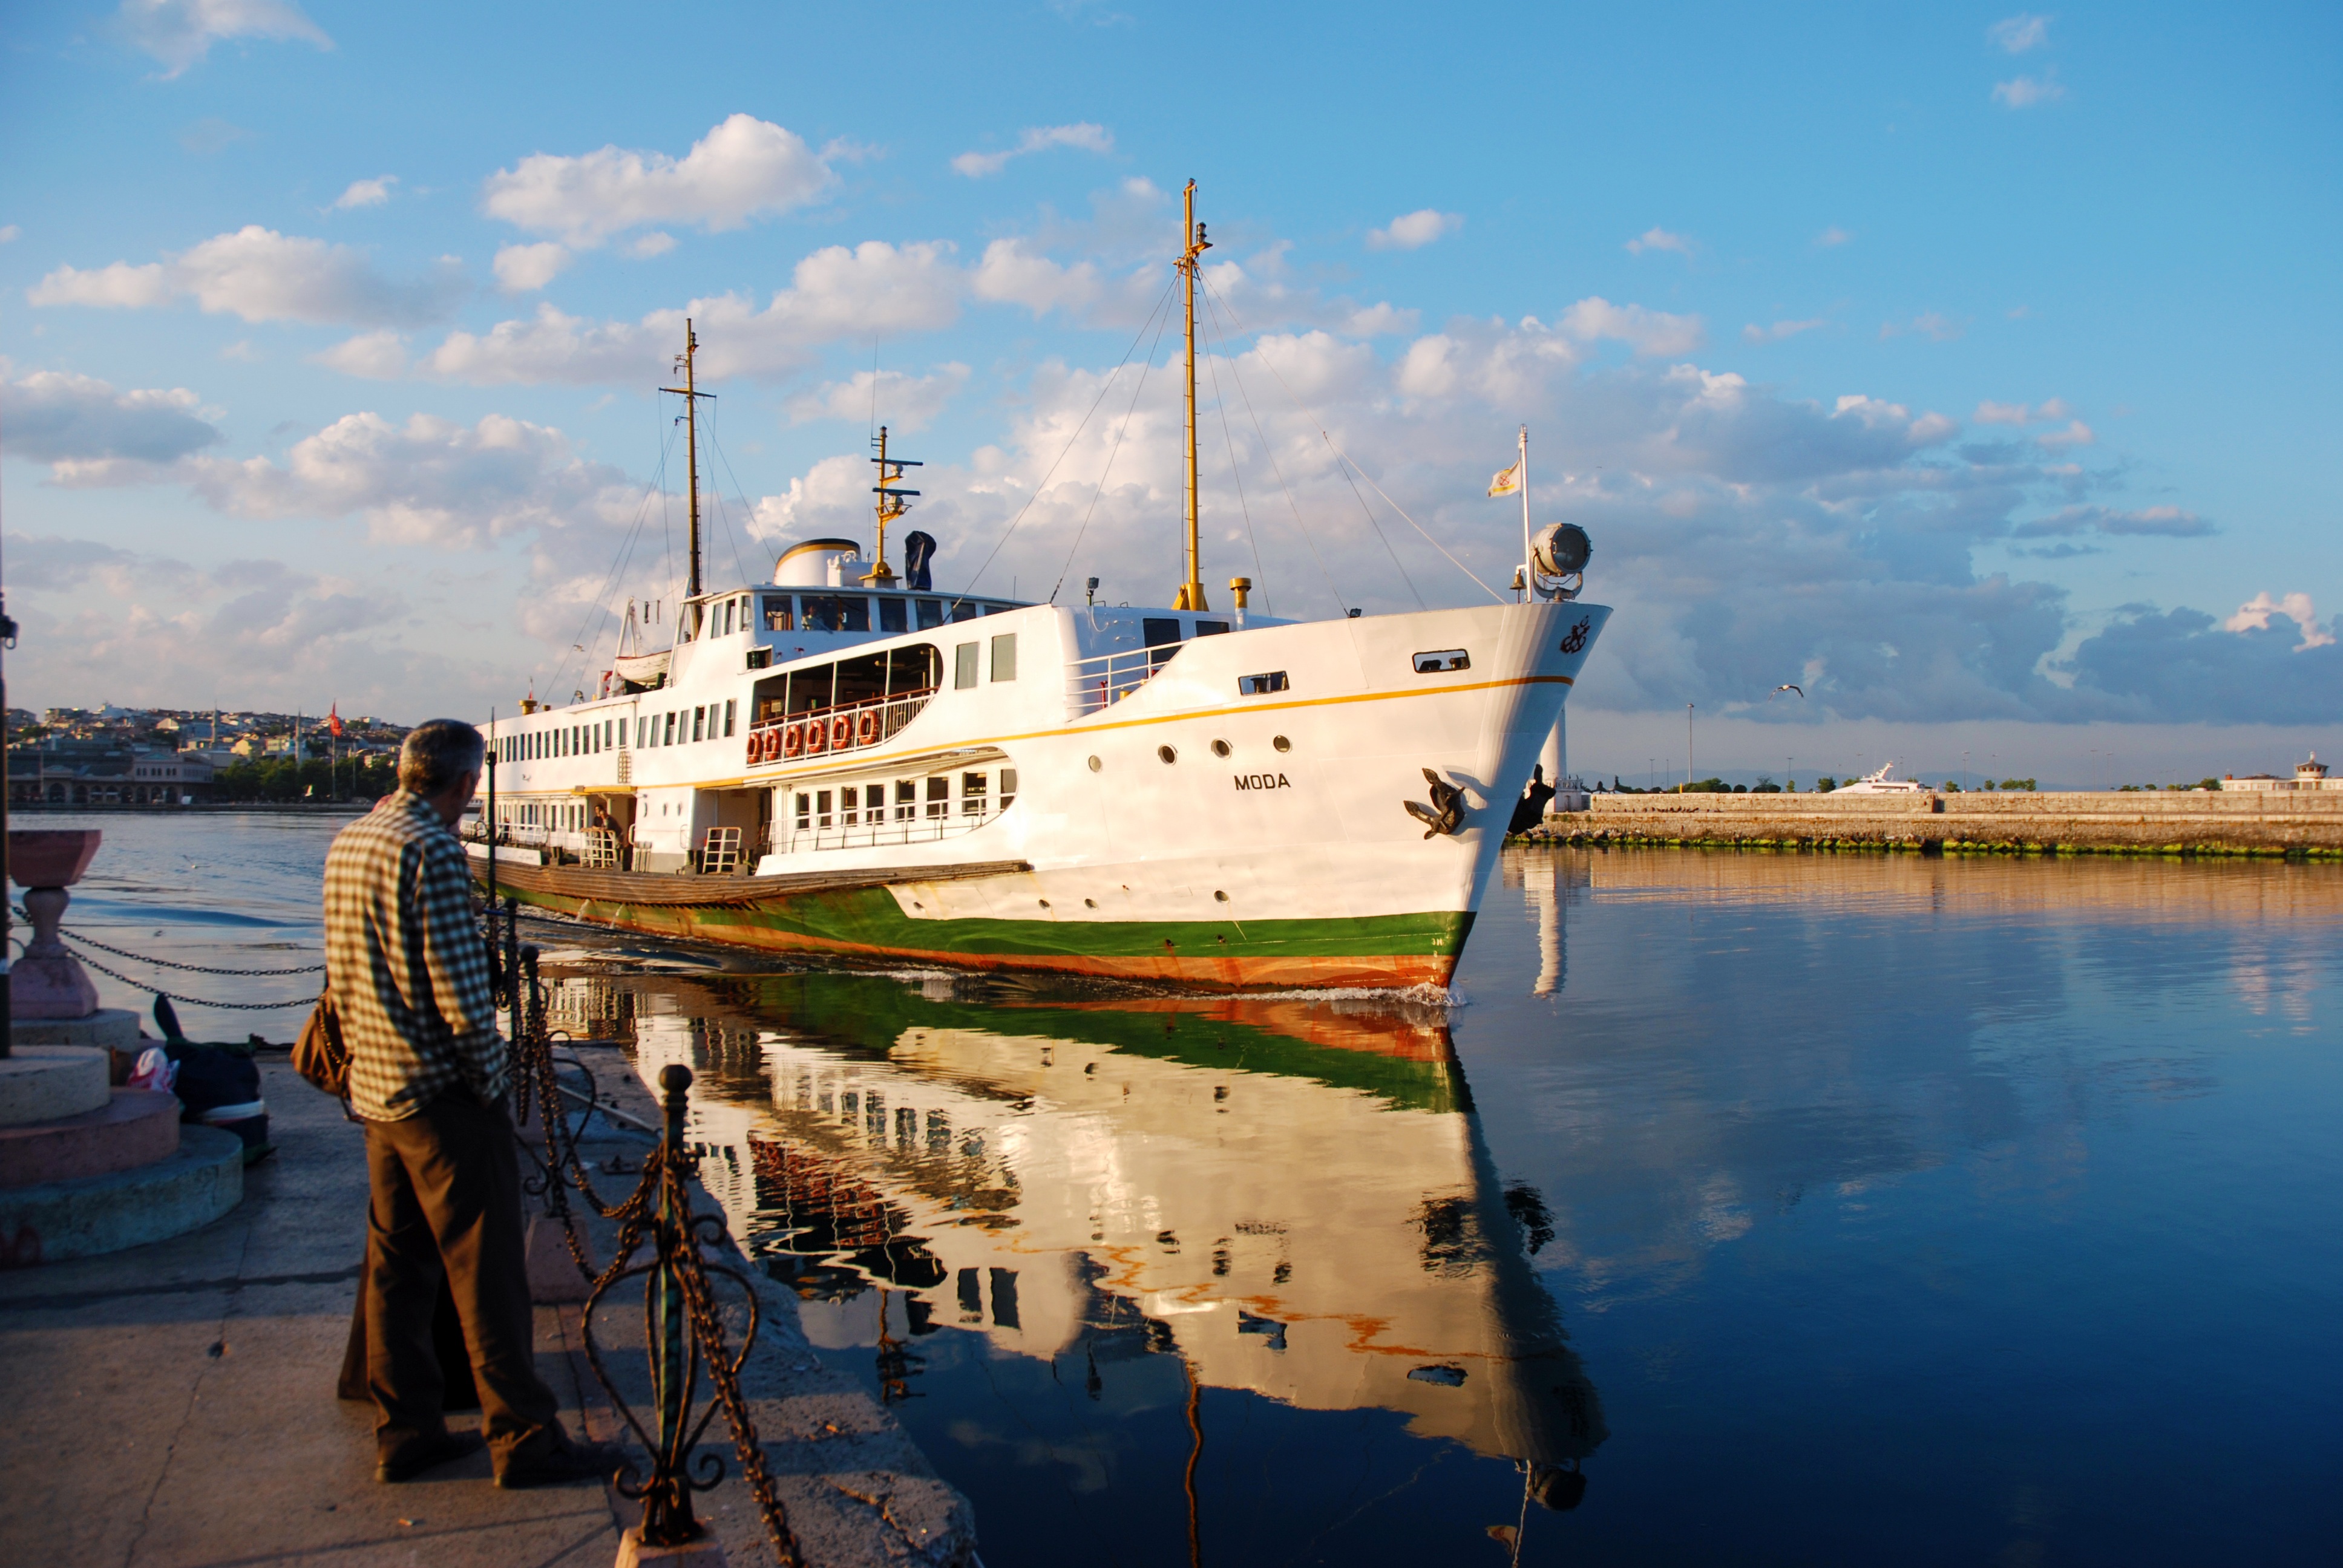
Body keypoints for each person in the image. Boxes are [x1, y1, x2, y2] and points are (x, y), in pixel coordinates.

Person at [324, 719, 629, 1488]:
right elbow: (461, 998)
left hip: (376, 1088)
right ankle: (523, 1437)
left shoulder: (351, 841)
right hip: (439, 1096)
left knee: (399, 1264)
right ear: (464, 784)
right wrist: (493, 1085)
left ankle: (407, 1430)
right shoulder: (435, 851)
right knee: (486, 1272)